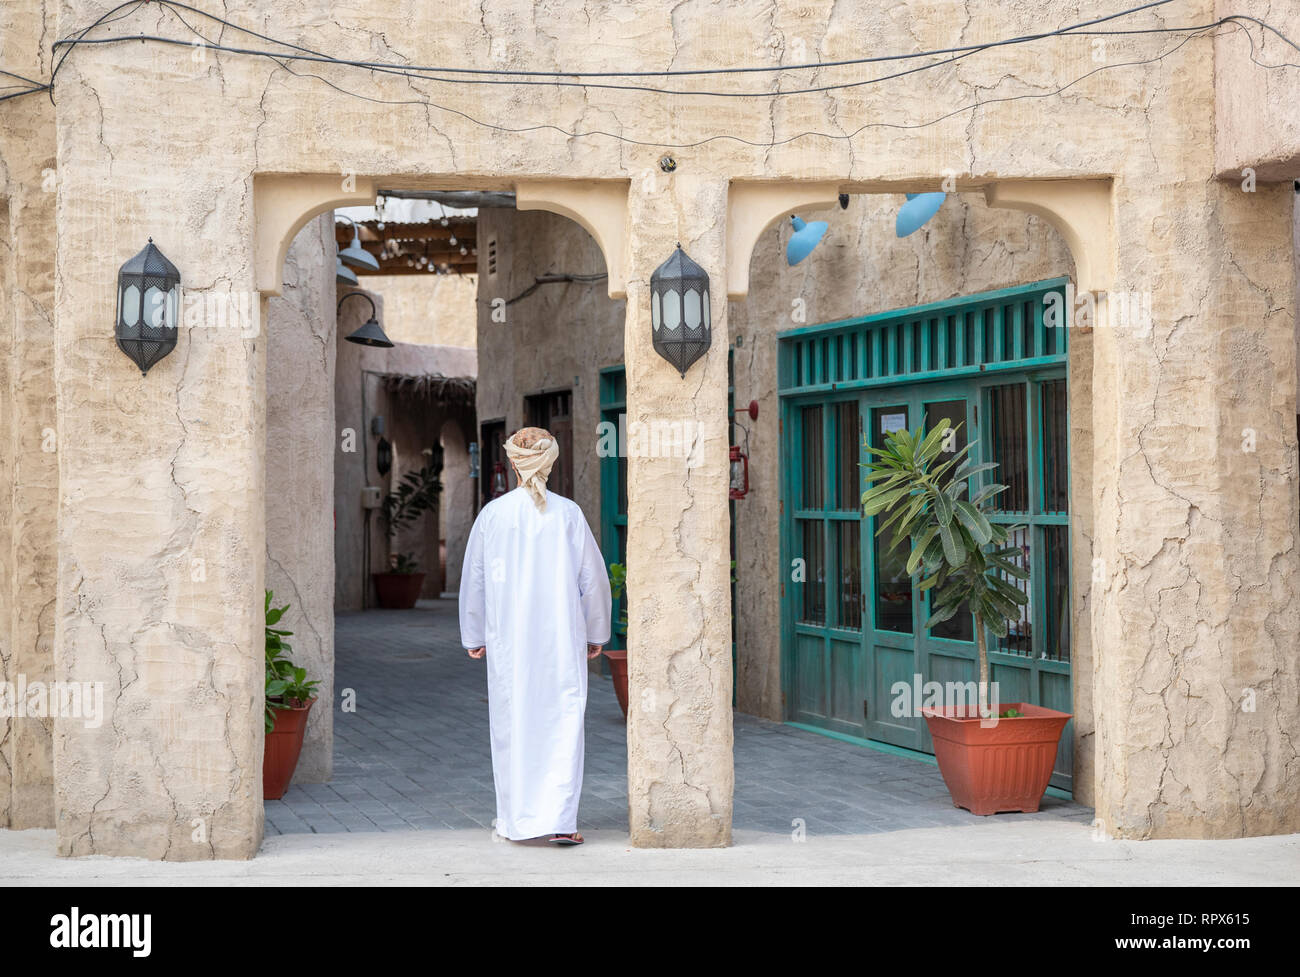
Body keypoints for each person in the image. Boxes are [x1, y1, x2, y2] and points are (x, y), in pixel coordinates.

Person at [458, 426, 612, 845]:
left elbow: (475, 579)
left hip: (510, 642)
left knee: (513, 724)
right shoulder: (568, 514)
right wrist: (597, 630)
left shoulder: (494, 515)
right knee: (563, 721)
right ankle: (562, 822)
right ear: (552, 460)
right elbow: (593, 581)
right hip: (562, 639)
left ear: (512, 462)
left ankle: (515, 822)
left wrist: (474, 633)